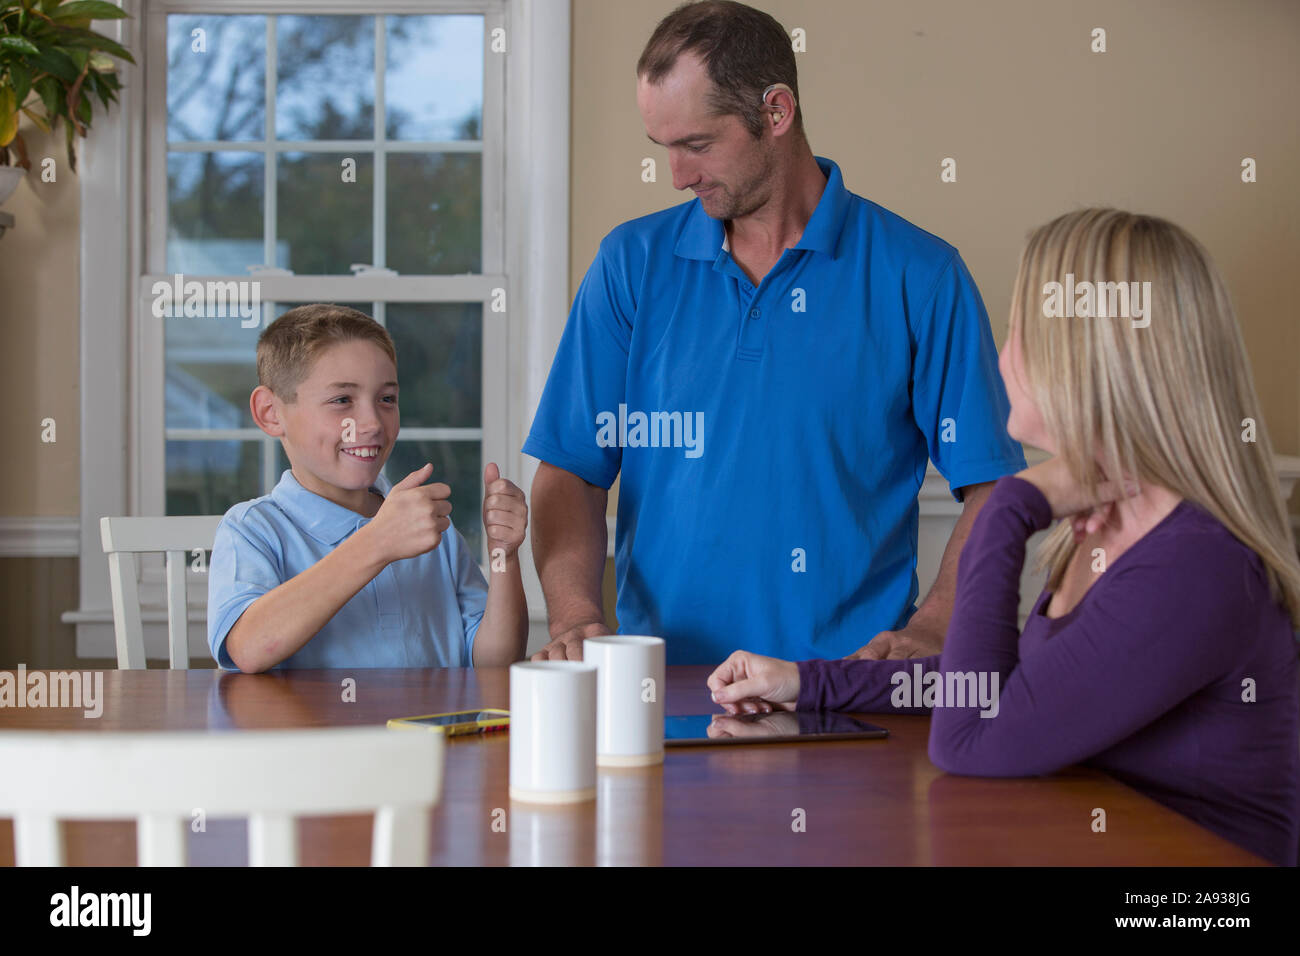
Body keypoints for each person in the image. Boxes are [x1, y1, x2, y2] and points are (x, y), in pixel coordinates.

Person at [707, 208, 1300, 866]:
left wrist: (1009, 505)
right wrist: (805, 683)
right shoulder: (1118, 526)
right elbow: (1001, 688)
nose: (1002, 354)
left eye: (1020, 330)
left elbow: (972, 741)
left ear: (1085, 357)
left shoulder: (1194, 565)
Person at [523, 0, 1025, 665]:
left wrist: (935, 624)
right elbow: (571, 471)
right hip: (663, 692)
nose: (676, 176)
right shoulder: (631, 265)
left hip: (845, 695)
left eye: (697, 145)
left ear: (776, 112)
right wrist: (576, 614)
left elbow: (994, 483)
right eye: (663, 148)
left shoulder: (921, 275)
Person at [207, 304, 529, 672]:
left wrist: (504, 555)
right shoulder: (253, 530)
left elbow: (494, 663)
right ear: (270, 412)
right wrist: (378, 542)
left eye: (386, 399)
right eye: (342, 400)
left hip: (431, 730)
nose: (372, 422)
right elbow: (250, 647)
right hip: (320, 732)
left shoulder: (431, 529)